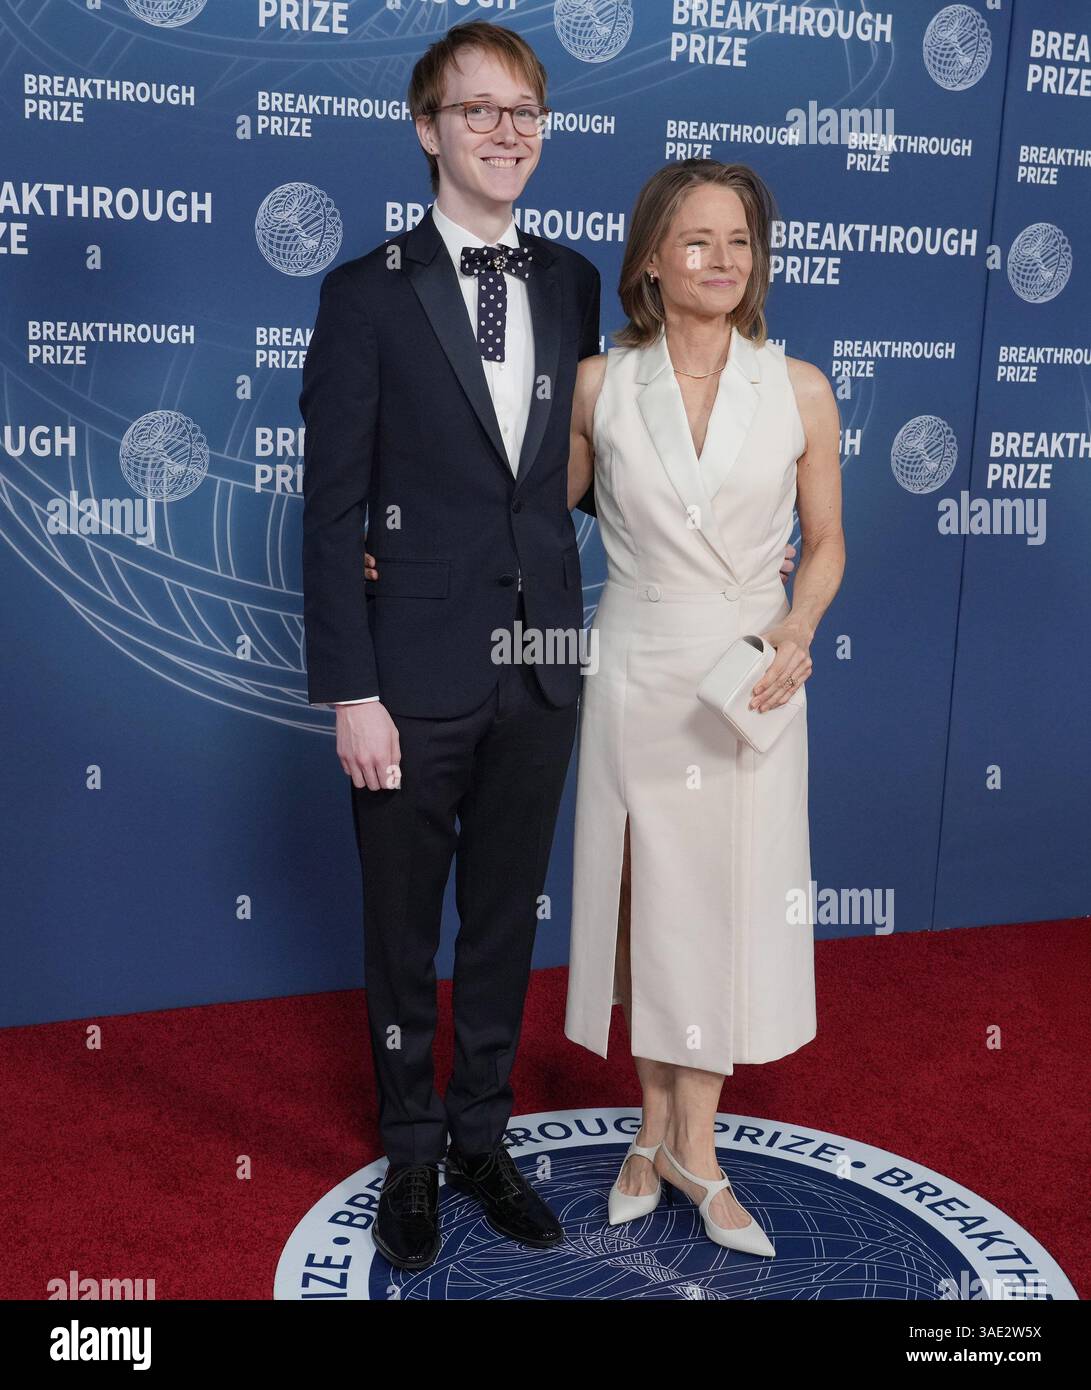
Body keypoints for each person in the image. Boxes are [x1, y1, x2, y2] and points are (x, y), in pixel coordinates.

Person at [299, 21, 601, 1271]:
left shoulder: (576, 282)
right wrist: (351, 688)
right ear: (428, 130)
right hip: (408, 673)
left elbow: (574, 473)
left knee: (500, 919)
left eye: (524, 110)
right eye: (479, 111)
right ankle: (413, 1149)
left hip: (541, 650)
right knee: (398, 922)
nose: (506, 132)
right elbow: (327, 511)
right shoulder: (363, 291)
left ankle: (483, 1133)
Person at [562, 160, 845, 1255]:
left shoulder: (800, 388)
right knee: (647, 895)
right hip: (635, 656)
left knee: (725, 902)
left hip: (749, 669)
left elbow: (821, 544)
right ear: (647, 260)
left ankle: (698, 1143)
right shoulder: (597, 385)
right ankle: (650, 1131)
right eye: (695, 241)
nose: (721, 261)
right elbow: (529, 516)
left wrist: (795, 626)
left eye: (738, 241)